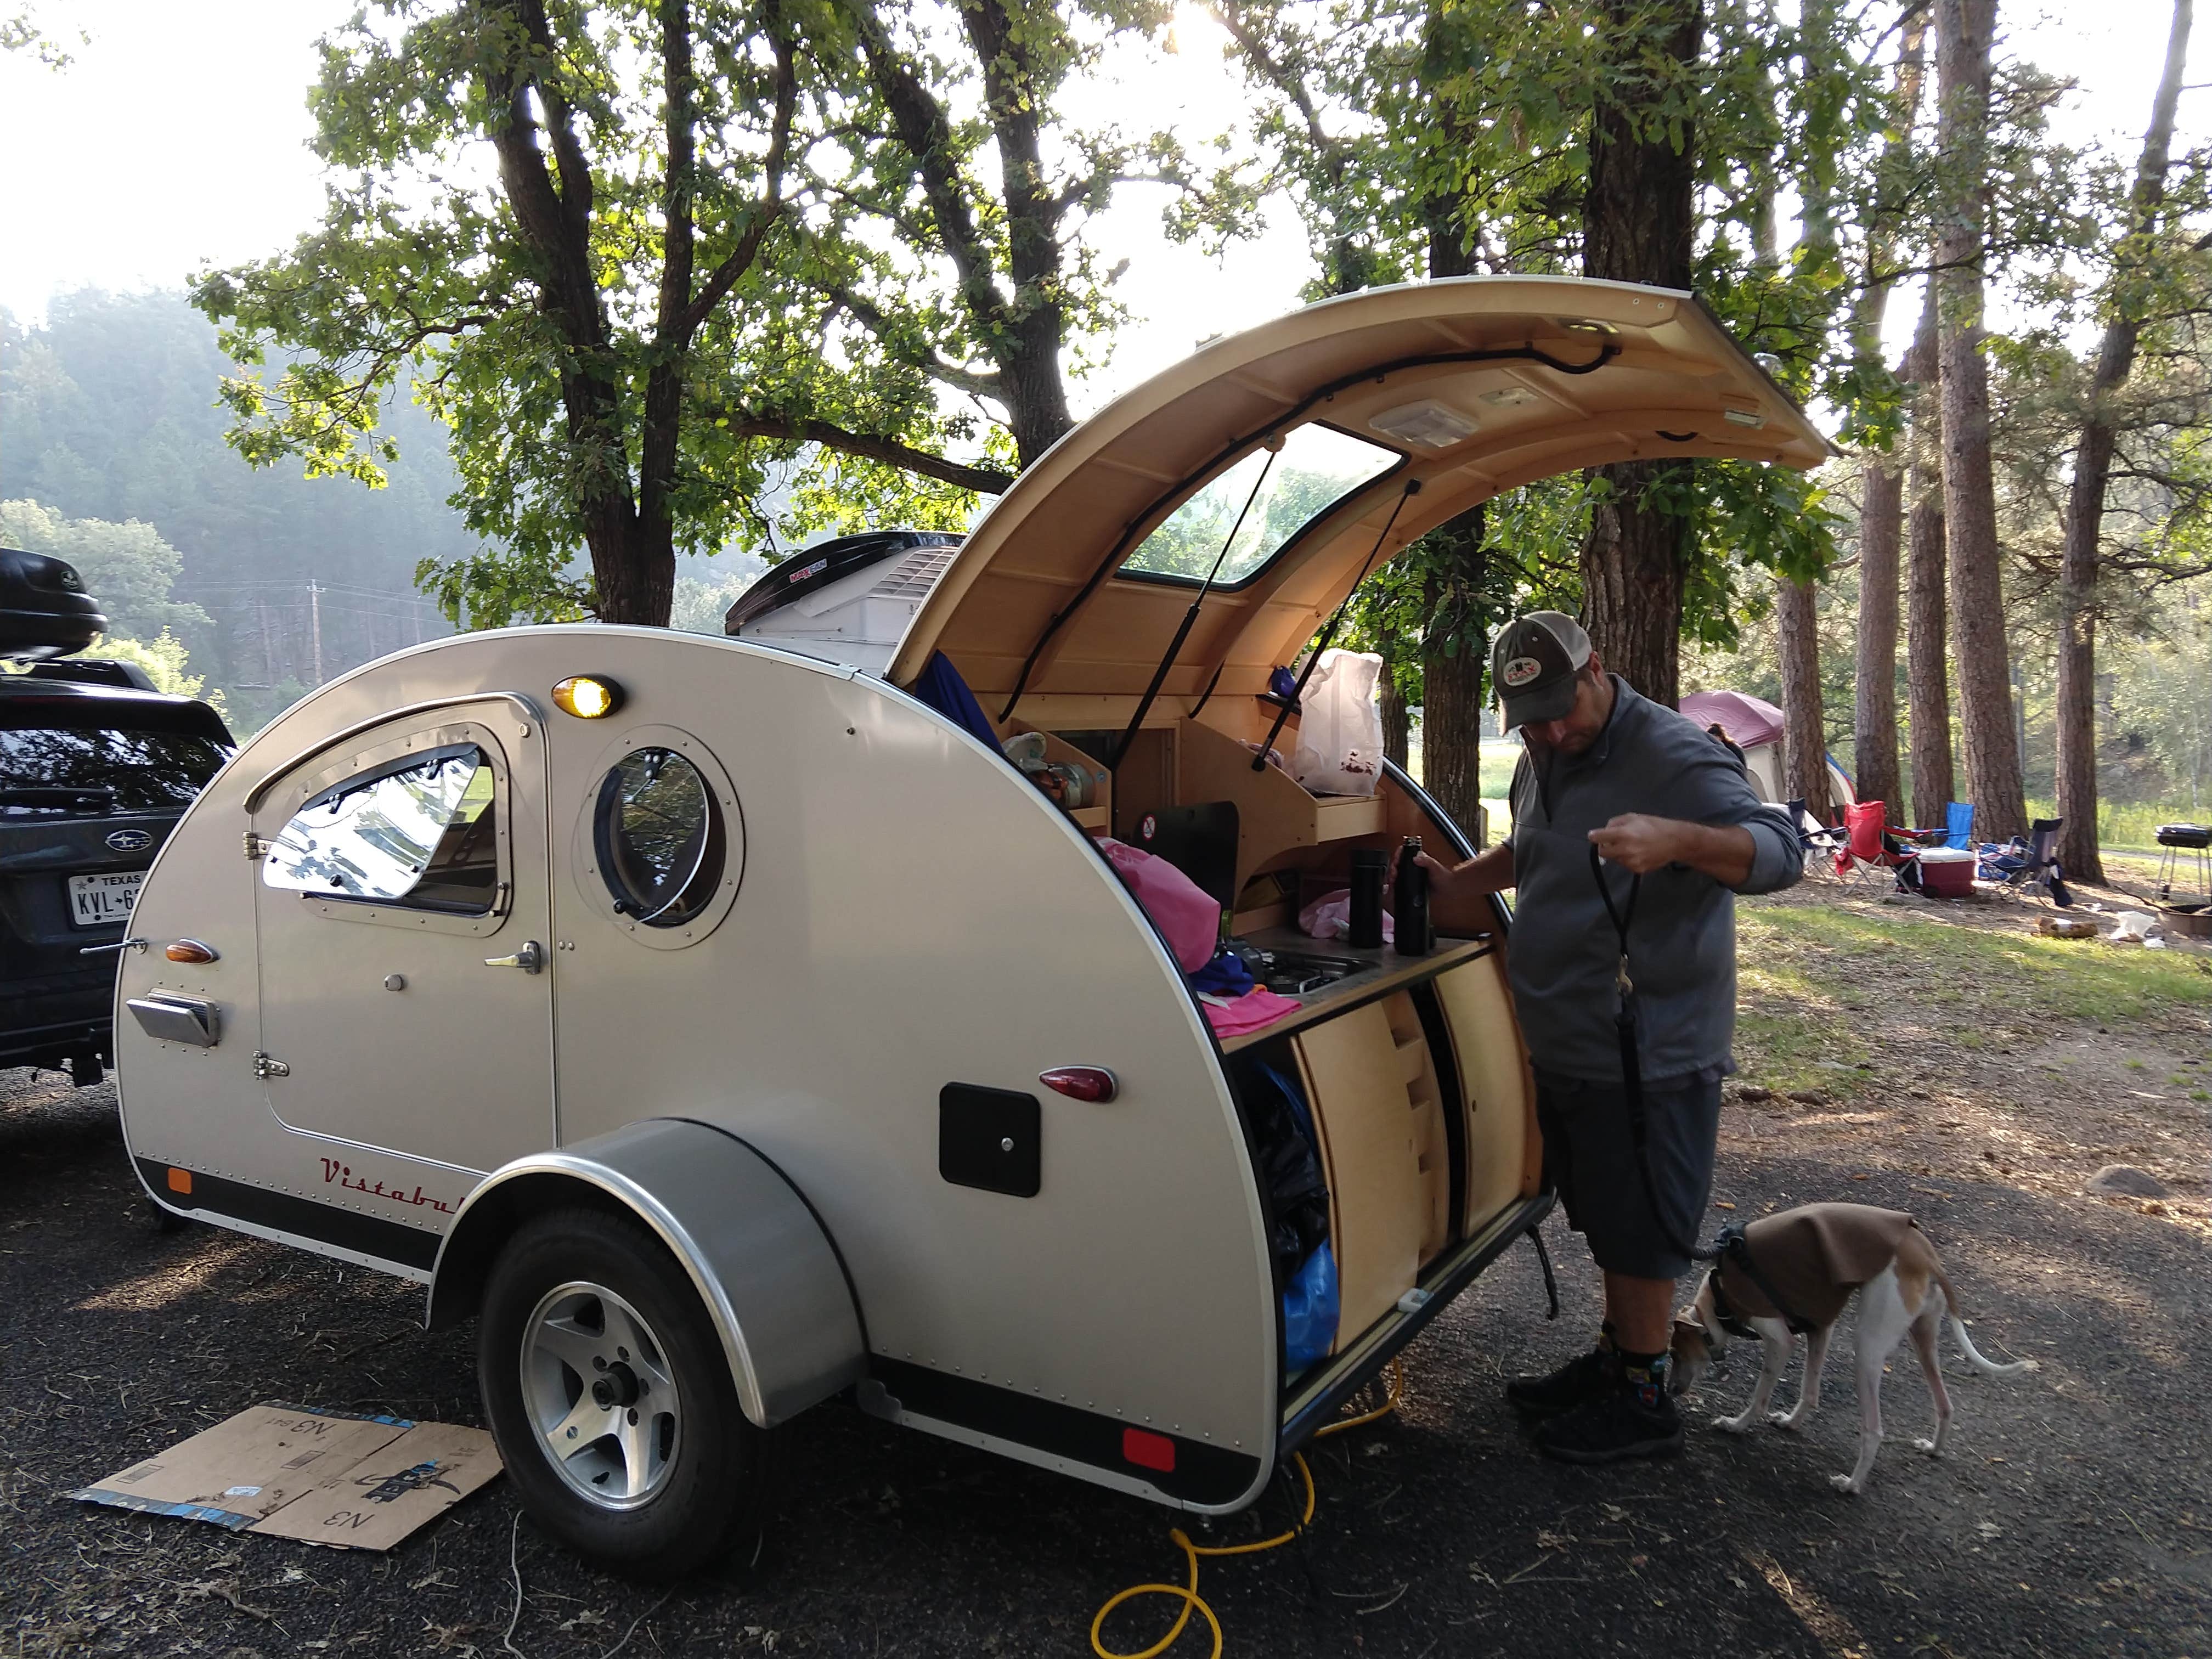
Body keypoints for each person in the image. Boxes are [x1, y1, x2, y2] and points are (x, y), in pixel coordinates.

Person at [1416, 612, 1801, 1464]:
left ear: (1602, 668)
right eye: (1532, 717)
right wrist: (1456, 882)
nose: (1551, 731)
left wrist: (1679, 842)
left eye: (1562, 707)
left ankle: (1644, 1405)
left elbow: (1781, 851)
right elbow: (1535, 850)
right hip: (1573, 1042)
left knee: (1643, 1231)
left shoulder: (1674, 756)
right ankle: (1621, 1359)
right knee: (1608, 1221)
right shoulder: (1545, 751)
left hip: (1648, 1052)